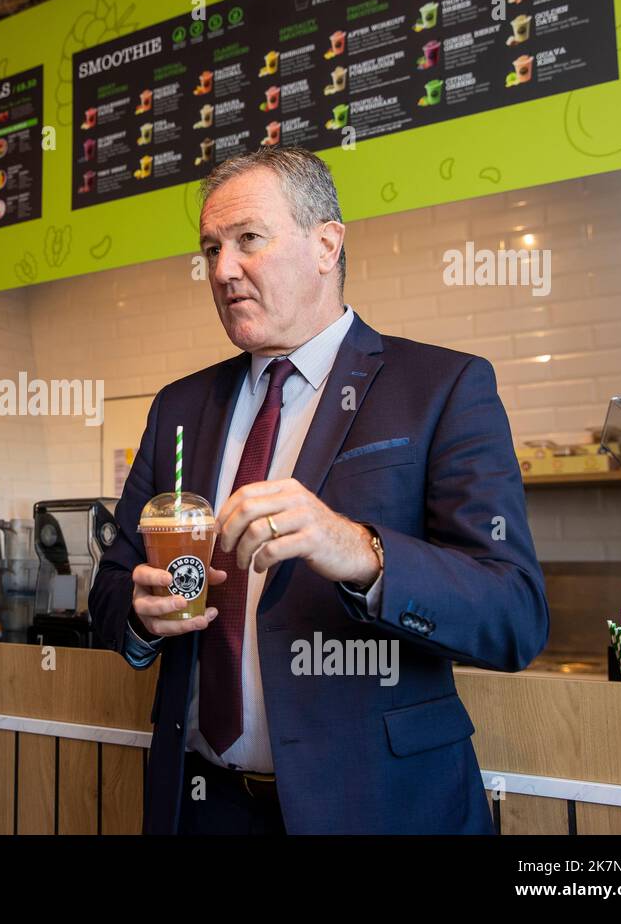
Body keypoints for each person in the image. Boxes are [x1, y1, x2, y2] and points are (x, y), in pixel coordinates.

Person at [88, 147, 548, 834]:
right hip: (204, 809)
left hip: (378, 807)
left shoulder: (440, 389)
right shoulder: (178, 409)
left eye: (249, 240)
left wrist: (360, 550)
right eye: (211, 248)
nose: (222, 270)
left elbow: (514, 614)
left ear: (326, 243)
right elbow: (109, 595)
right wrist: (138, 612)